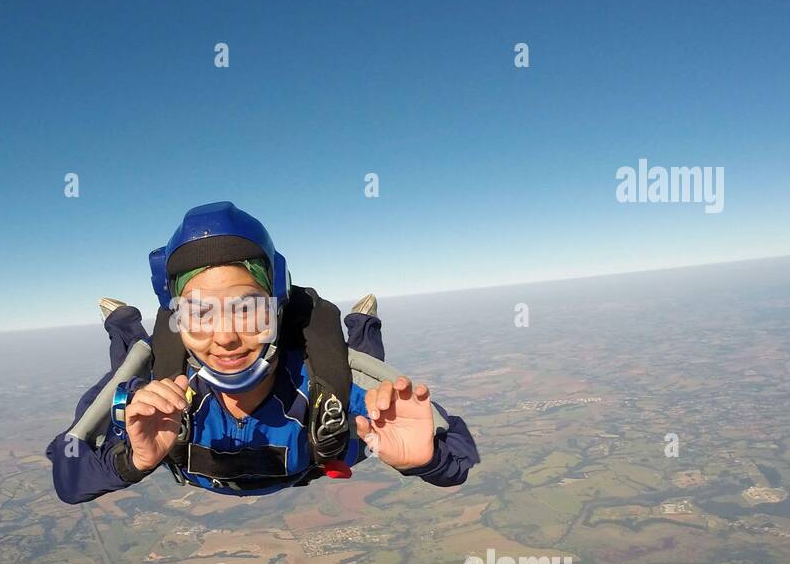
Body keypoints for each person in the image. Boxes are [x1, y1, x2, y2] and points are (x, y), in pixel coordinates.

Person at [46, 202, 479, 503]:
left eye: (248, 310)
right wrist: (132, 459)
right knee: (133, 354)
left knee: (358, 356)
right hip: (158, 376)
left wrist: (427, 459)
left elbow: (458, 455)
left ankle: (363, 321)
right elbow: (69, 477)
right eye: (198, 314)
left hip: (312, 438)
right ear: (178, 322)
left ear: (276, 310)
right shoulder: (152, 395)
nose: (226, 338)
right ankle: (121, 319)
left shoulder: (329, 385)